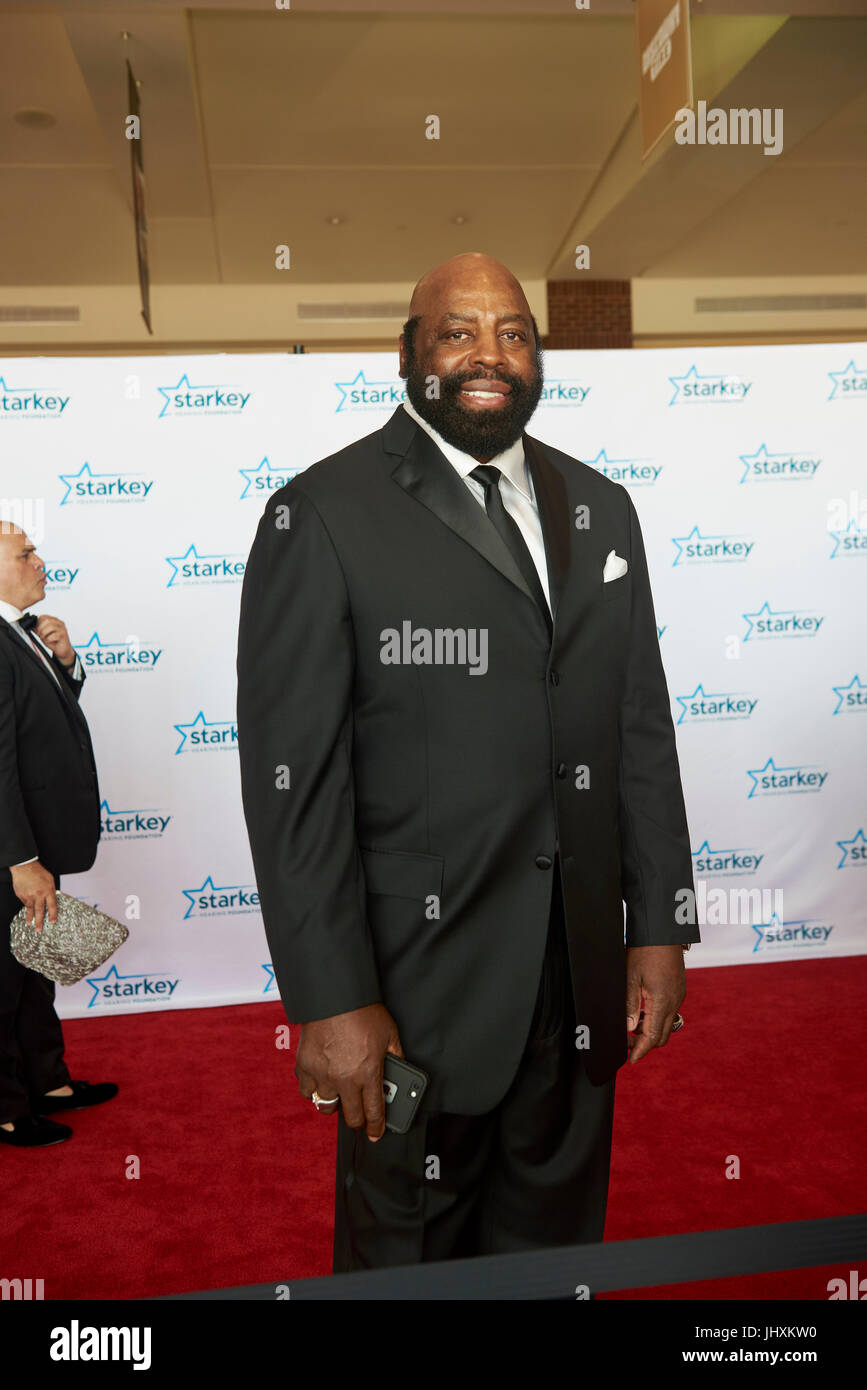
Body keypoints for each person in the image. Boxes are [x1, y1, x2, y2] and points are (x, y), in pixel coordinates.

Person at [236, 252, 699, 1271]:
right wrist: (328, 995)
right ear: (409, 354)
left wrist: (659, 923)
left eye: (515, 333)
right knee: (409, 1260)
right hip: (414, 996)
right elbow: (294, 786)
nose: (490, 355)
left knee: (554, 1251)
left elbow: (638, 727)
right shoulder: (319, 514)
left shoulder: (603, 508)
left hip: (575, 983)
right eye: (457, 332)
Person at [0, 522, 116, 1147]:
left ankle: (48, 1082)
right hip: (13, 851)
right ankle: (7, 1106)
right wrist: (20, 860)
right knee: (4, 981)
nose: (41, 562)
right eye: (25, 554)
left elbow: (44, 721)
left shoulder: (23, 635)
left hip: (36, 841)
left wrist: (66, 663)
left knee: (33, 968)